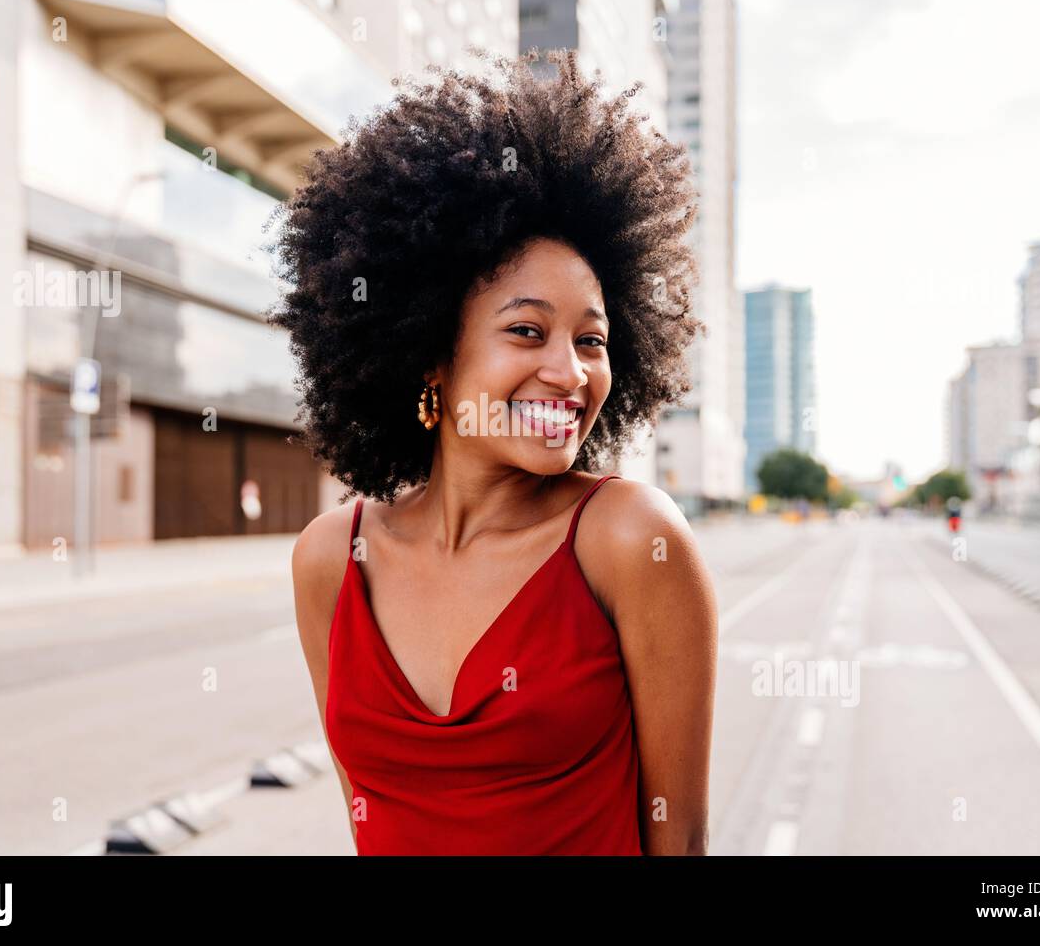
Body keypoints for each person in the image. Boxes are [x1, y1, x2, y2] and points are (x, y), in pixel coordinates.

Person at [275, 48, 718, 855]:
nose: (571, 372)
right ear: (431, 353)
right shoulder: (328, 561)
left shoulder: (628, 539)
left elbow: (679, 841)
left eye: (592, 339)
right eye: (527, 330)